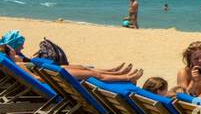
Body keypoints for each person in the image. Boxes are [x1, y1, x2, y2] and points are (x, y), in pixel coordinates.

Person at [0, 31, 141, 82]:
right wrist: (50, 77)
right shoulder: (18, 66)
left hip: (53, 71)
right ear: (9, 53)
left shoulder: (14, 63)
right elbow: (37, 78)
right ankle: (127, 77)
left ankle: (115, 71)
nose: (17, 51)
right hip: (55, 76)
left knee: (84, 68)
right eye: (12, 50)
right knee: (94, 75)